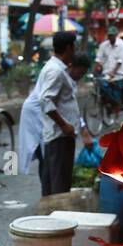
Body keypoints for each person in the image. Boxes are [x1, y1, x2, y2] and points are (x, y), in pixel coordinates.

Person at [35, 32, 93, 197]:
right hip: (59, 135)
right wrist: (64, 125)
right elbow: (45, 100)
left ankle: (50, 216)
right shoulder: (56, 71)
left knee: (53, 180)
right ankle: (57, 219)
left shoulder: (58, 68)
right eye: (74, 48)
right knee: (60, 183)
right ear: (69, 48)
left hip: (59, 135)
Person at [94, 25, 123, 110]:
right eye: (109, 35)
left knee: (115, 91)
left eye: (112, 35)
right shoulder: (103, 45)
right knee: (99, 84)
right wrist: (98, 66)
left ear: (116, 35)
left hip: (119, 73)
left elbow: (120, 61)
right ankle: (107, 103)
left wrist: (113, 72)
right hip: (106, 73)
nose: (110, 37)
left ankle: (117, 105)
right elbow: (99, 58)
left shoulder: (121, 44)